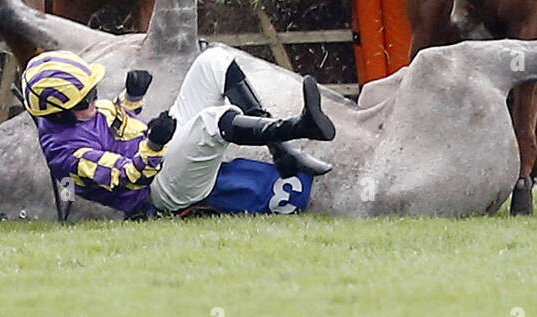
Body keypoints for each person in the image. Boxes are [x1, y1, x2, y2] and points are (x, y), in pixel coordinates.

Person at [23, 48, 335, 218]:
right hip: (156, 192)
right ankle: (297, 126)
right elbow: (131, 176)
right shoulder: (66, 155)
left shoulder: (76, 116)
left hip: (160, 155)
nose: (94, 100)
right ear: (59, 112)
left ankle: (281, 149)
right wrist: (156, 142)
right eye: (86, 99)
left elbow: (116, 123)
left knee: (214, 61)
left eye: (92, 92)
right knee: (213, 120)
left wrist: (131, 99)